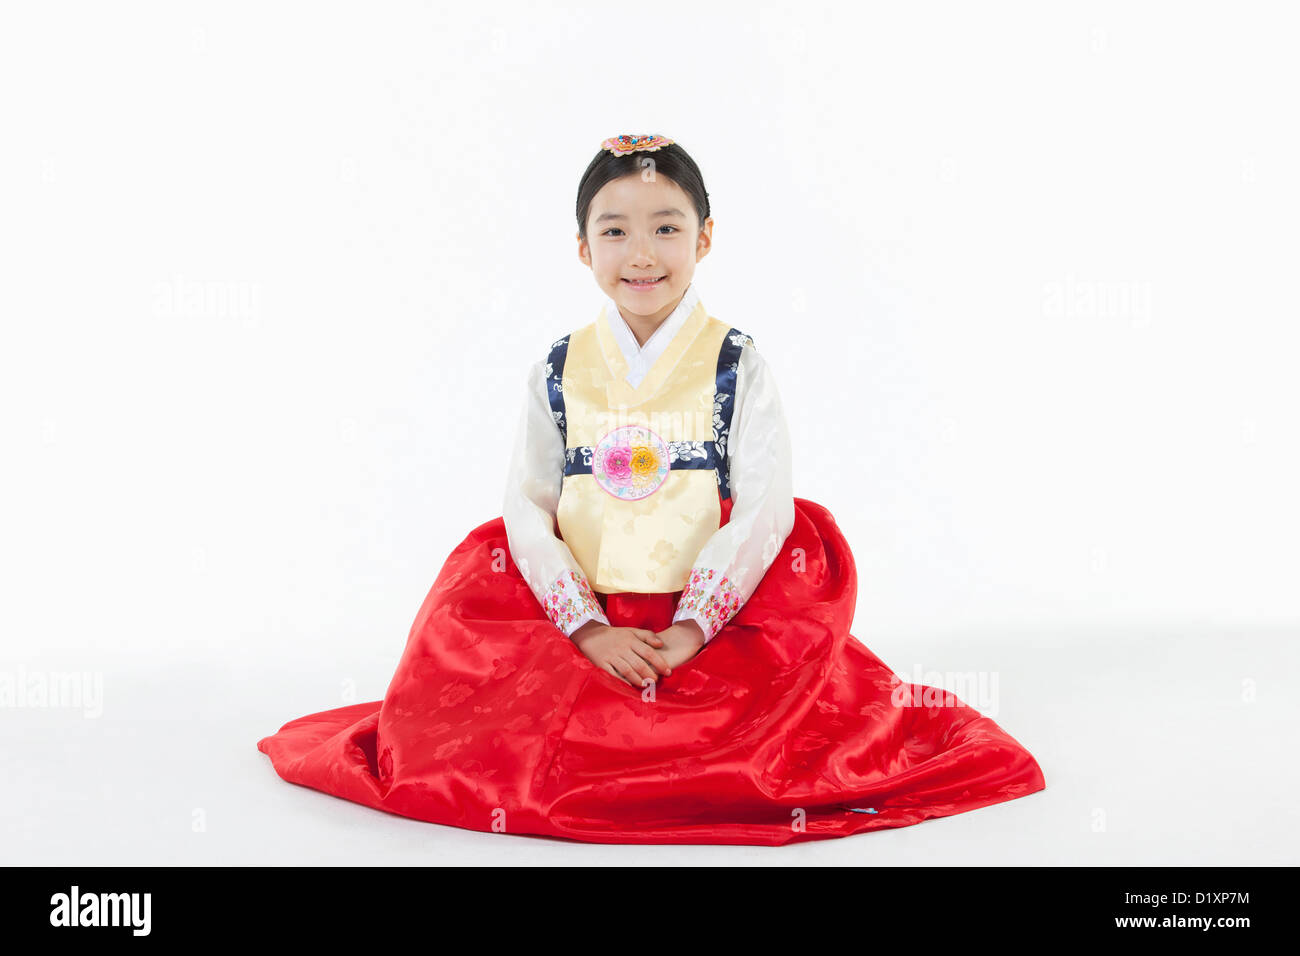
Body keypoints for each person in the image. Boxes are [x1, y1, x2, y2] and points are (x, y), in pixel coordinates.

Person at [257, 134, 1046, 846]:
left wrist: (693, 627)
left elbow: (766, 506)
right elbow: (528, 505)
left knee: (745, 745)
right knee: (457, 727)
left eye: (667, 227)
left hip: (707, 616)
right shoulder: (558, 367)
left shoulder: (735, 362)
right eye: (615, 230)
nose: (642, 253)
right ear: (580, 247)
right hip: (585, 610)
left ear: (705, 238)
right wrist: (587, 629)